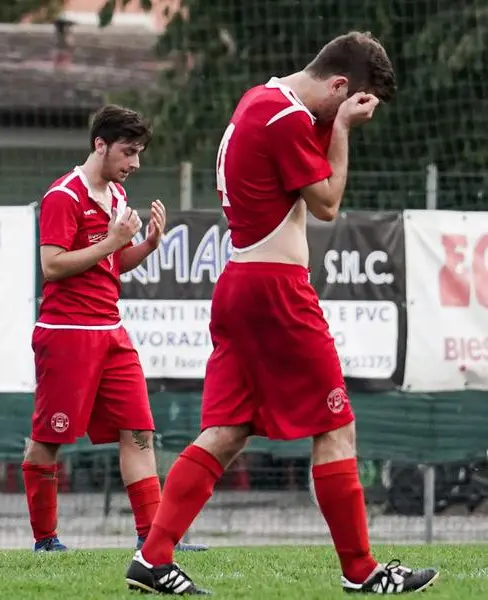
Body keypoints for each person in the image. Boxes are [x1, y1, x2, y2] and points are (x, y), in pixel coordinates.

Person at [124, 32, 439, 595]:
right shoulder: (286, 118)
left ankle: (151, 558)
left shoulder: (260, 101)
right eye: (350, 101)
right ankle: (361, 571)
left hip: (242, 284)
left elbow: (297, 158)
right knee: (336, 425)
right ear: (339, 86)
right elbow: (326, 203)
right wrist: (340, 130)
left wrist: (332, 118)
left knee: (227, 430)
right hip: (277, 292)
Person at [24, 104, 206, 554]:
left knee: (139, 432)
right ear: (99, 145)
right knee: (49, 440)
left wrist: (147, 245)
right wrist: (111, 241)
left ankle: (155, 539)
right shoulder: (64, 196)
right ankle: (46, 540)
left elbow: (110, 262)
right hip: (67, 334)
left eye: (139, 153)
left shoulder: (119, 199)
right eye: (128, 152)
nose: (135, 163)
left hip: (112, 332)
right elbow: (52, 265)